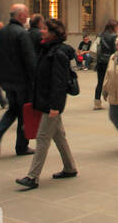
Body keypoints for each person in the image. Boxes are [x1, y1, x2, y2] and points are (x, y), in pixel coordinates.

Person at [15, 18, 78, 190]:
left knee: (43, 138)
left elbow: (59, 83)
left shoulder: (57, 53)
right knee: (59, 136)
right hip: (45, 100)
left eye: (44, 29)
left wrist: (55, 107)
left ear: (52, 33)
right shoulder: (47, 49)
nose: (41, 31)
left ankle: (32, 176)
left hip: (50, 103)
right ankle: (70, 168)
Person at [0, 4, 37, 157]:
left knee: (13, 109)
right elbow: (29, 58)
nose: (27, 16)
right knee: (23, 112)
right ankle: (21, 146)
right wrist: (35, 78)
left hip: (6, 79)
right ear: (20, 15)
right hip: (21, 80)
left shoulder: (2, 32)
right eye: (26, 13)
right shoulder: (22, 33)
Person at [94, 19, 118, 110]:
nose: (117, 28)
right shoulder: (114, 36)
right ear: (113, 27)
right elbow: (114, 50)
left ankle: (97, 102)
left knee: (100, 82)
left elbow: (97, 47)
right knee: (112, 81)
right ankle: (114, 101)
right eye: (117, 27)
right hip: (109, 62)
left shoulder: (100, 35)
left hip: (100, 61)